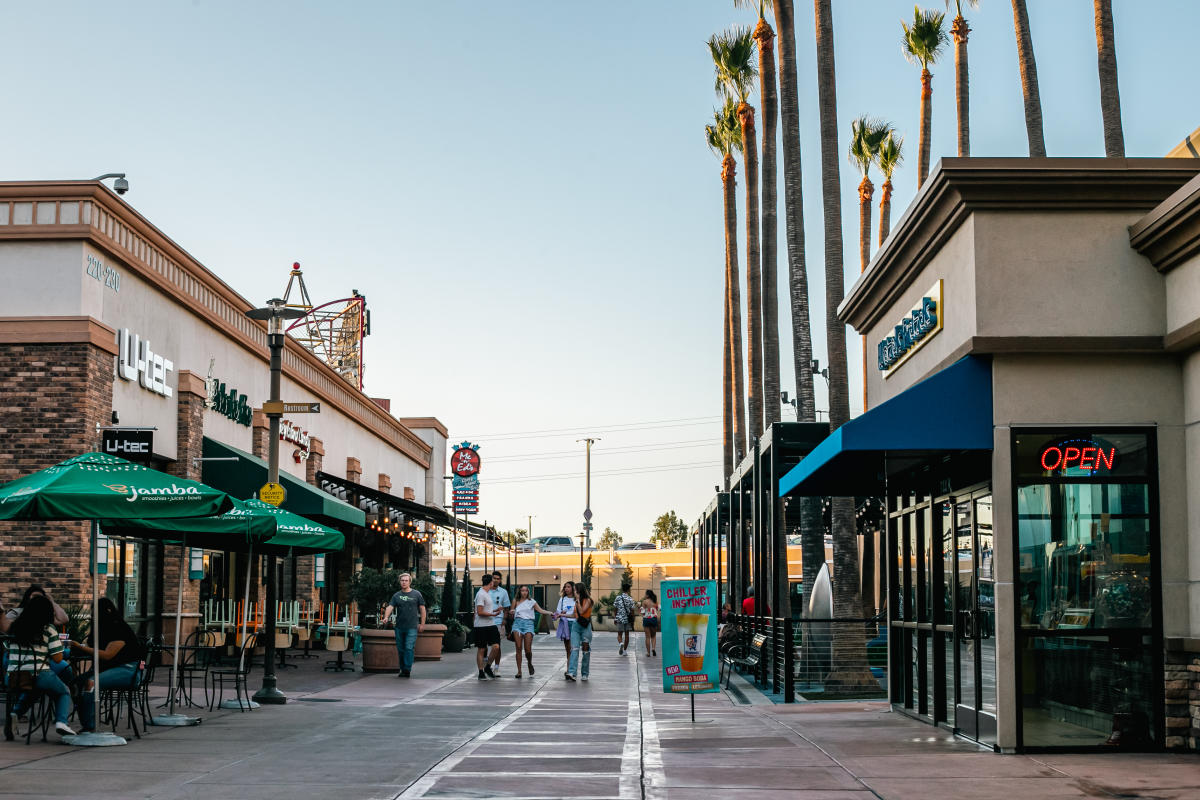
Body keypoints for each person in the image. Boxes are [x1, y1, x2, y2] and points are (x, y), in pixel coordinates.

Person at [70, 597, 147, 732]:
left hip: (129, 670)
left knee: (91, 683)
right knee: (75, 683)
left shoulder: (118, 628)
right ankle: (87, 721)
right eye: (92, 613)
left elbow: (107, 655)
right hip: (110, 669)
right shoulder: (102, 629)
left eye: (95, 613)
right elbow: (96, 650)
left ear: (106, 612)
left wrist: (80, 647)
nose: (93, 616)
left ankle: (90, 726)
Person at [3, 595, 76, 736]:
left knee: (33, 692)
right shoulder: (47, 628)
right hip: (38, 675)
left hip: (13, 677)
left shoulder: (14, 627)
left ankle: (14, 715)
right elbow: (58, 658)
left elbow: (7, 648)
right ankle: (61, 722)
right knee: (63, 691)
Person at [381, 572, 426, 678]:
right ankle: (402, 669)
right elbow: (390, 607)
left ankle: (407, 669)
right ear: (400, 582)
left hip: (412, 627)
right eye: (402, 580)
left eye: (406, 580)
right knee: (401, 649)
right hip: (399, 627)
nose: (404, 582)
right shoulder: (396, 595)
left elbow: (422, 609)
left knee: (409, 648)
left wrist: (422, 624)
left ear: (410, 582)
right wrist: (386, 617)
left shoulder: (416, 594)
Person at [509, 585, 553, 678]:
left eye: (526, 590)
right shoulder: (515, 601)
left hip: (529, 624)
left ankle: (529, 663)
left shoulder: (532, 601)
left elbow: (540, 610)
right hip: (517, 624)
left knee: (528, 650)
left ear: (528, 592)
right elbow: (511, 613)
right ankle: (519, 671)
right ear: (519, 591)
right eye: (522, 590)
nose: (524, 592)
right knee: (518, 647)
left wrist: (550, 613)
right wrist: (511, 612)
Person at [0, 583, 69, 634]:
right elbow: (5, 628)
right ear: (27, 598)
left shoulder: (43, 616)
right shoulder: (16, 612)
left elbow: (64, 620)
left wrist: (51, 601)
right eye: (35, 596)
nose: (37, 599)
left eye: (40, 597)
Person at [472, 573, 502, 680]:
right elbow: (480, 612)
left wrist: (495, 610)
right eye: (493, 581)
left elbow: (486, 609)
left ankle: (488, 666)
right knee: (481, 649)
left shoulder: (486, 593)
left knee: (496, 646)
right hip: (481, 626)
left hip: (491, 625)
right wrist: (493, 615)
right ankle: (481, 672)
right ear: (491, 582)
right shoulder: (481, 594)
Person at [564, 582, 593, 682]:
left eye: (575, 590)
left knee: (585, 650)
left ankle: (585, 673)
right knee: (574, 649)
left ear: (579, 590)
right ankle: (572, 673)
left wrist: (577, 601)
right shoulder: (576, 602)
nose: (574, 592)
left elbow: (581, 612)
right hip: (576, 626)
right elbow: (574, 615)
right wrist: (562, 615)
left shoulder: (588, 600)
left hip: (585, 626)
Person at [488, 570, 511, 674]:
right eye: (494, 578)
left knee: (497, 645)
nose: (496, 580)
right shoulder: (485, 590)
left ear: (500, 580)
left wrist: (504, 620)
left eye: (498, 579)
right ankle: (486, 666)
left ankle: (496, 668)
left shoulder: (503, 592)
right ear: (491, 579)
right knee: (484, 646)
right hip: (485, 621)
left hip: (498, 621)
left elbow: (506, 608)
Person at [554, 581, 576, 661]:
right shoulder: (562, 599)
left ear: (573, 588)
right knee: (568, 648)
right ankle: (569, 666)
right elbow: (558, 612)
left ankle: (572, 666)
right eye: (565, 587)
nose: (566, 589)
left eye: (568, 587)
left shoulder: (577, 599)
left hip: (575, 624)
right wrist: (560, 613)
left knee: (574, 647)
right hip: (565, 625)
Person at [613, 582, 638, 656]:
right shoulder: (630, 599)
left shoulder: (618, 598)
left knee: (619, 634)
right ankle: (624, 651)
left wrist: (615, 618)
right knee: (627, 635)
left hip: (620, 618)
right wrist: (632, 619)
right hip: (627, 619)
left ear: (622, 589)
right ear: (629, 590)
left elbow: (615, 609)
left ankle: (621, 643)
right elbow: (632, 610)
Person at [641, 589, 660, 657]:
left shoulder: (644, 601)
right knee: (653, 636)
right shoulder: (655, 601)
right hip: (653, 619)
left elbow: (643, 612)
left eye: (645, 594)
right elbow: (658, 609)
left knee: (647, 637)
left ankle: (648, 653)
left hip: (646, 619)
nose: (644, 595)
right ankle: (653, 648)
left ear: (647, 595)